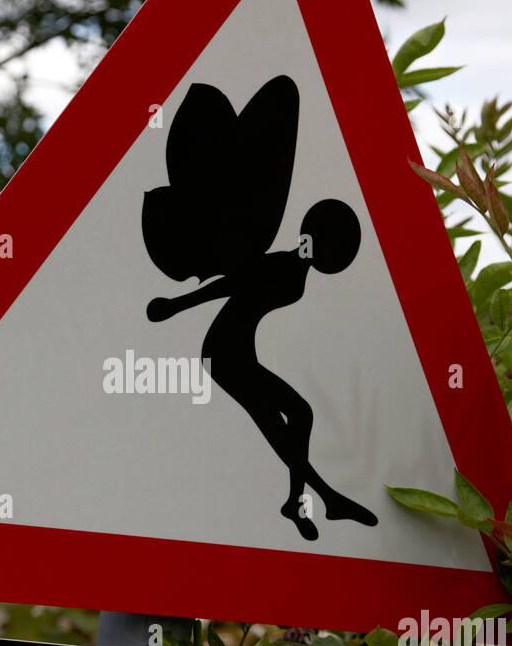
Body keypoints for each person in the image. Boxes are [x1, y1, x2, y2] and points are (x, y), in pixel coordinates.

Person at [147, 198, 378, 541]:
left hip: (240, 355)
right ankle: (323, 499)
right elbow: (228, 285)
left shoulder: (297, 273)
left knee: (294, 417)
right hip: (224, 354)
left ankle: (299, 502)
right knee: (290, 416)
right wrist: (176, 305)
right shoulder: (283, 264)